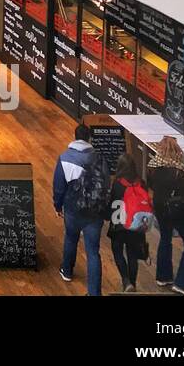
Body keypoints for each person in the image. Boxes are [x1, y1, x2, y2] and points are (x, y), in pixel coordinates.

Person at [53, 124, 111, 295]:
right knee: (93, 251)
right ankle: (94, 292)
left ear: (75, 136)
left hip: (72, 208)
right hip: (95, 211)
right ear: (89, 138)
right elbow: (107, 184)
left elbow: (59, 186)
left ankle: (67, 271)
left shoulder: (64, 158)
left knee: (71, 238)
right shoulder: (99, 159)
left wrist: (58, 205)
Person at [150, 136, 184, 294]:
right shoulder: (181, 172)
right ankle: (181, 282)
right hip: (178, 213)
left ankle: (163, 277)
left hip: (161, 210)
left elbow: (152, 186)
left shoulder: (153, 168)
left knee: (165, 239)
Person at [108, 153, 153, 292]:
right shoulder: (142, 183)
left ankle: (126, 280)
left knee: (117, 251)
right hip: (137, 224)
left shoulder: (117, 184)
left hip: (120, 223)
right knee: (132, 254)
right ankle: (132, 282)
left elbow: (113, 204)